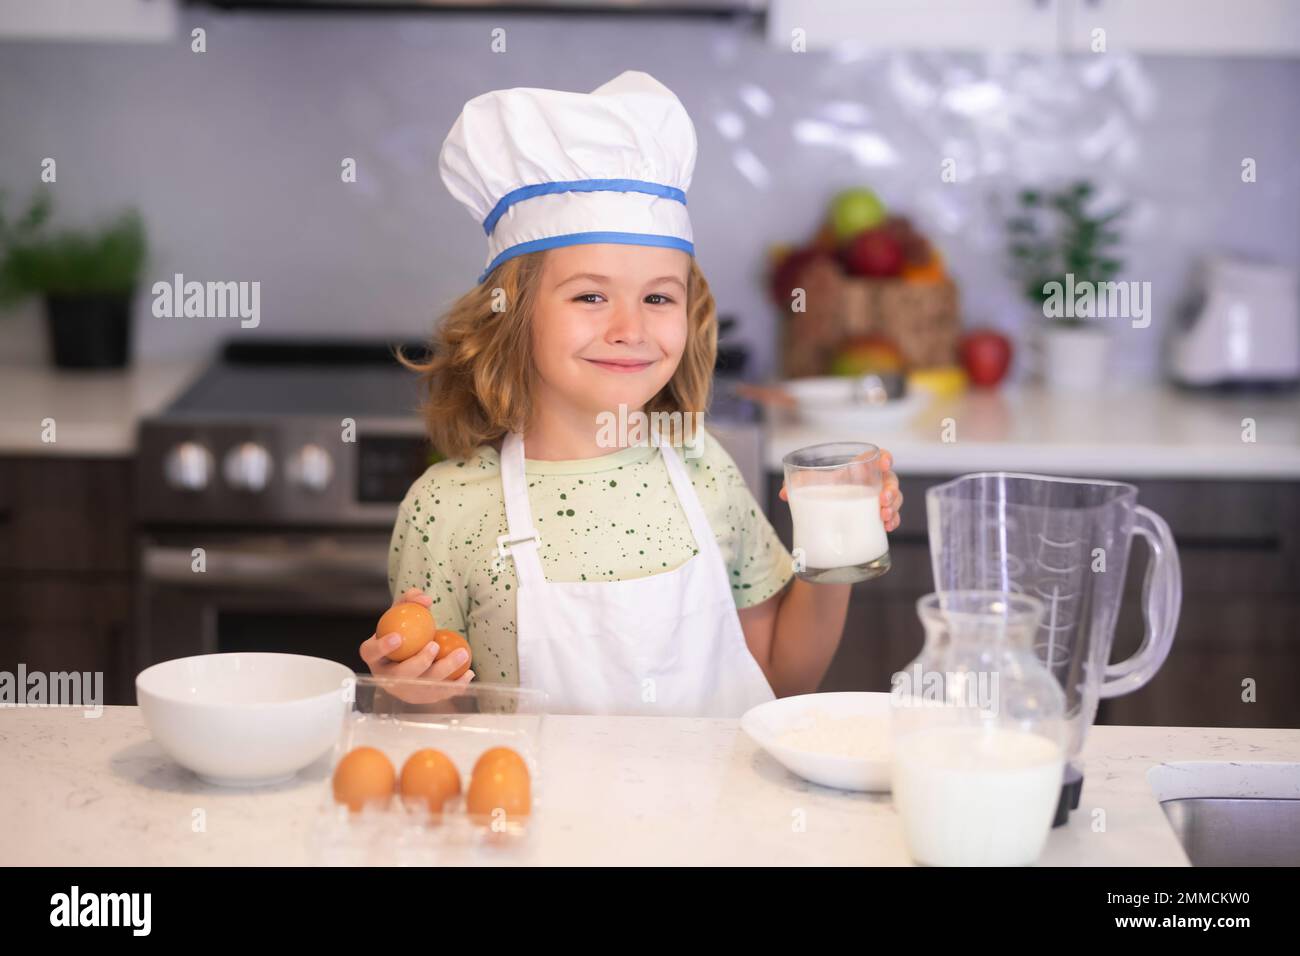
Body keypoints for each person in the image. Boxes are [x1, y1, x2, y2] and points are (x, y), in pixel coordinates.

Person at [359, 71, 902, 716]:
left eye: (658, 297)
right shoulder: (444, 510)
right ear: (512, 311)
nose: (630, 328)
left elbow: (782, 683)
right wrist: (409, 692)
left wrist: (836, 547)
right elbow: (443, 748)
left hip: (714, 818)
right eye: (590, 295)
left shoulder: (704, 470)